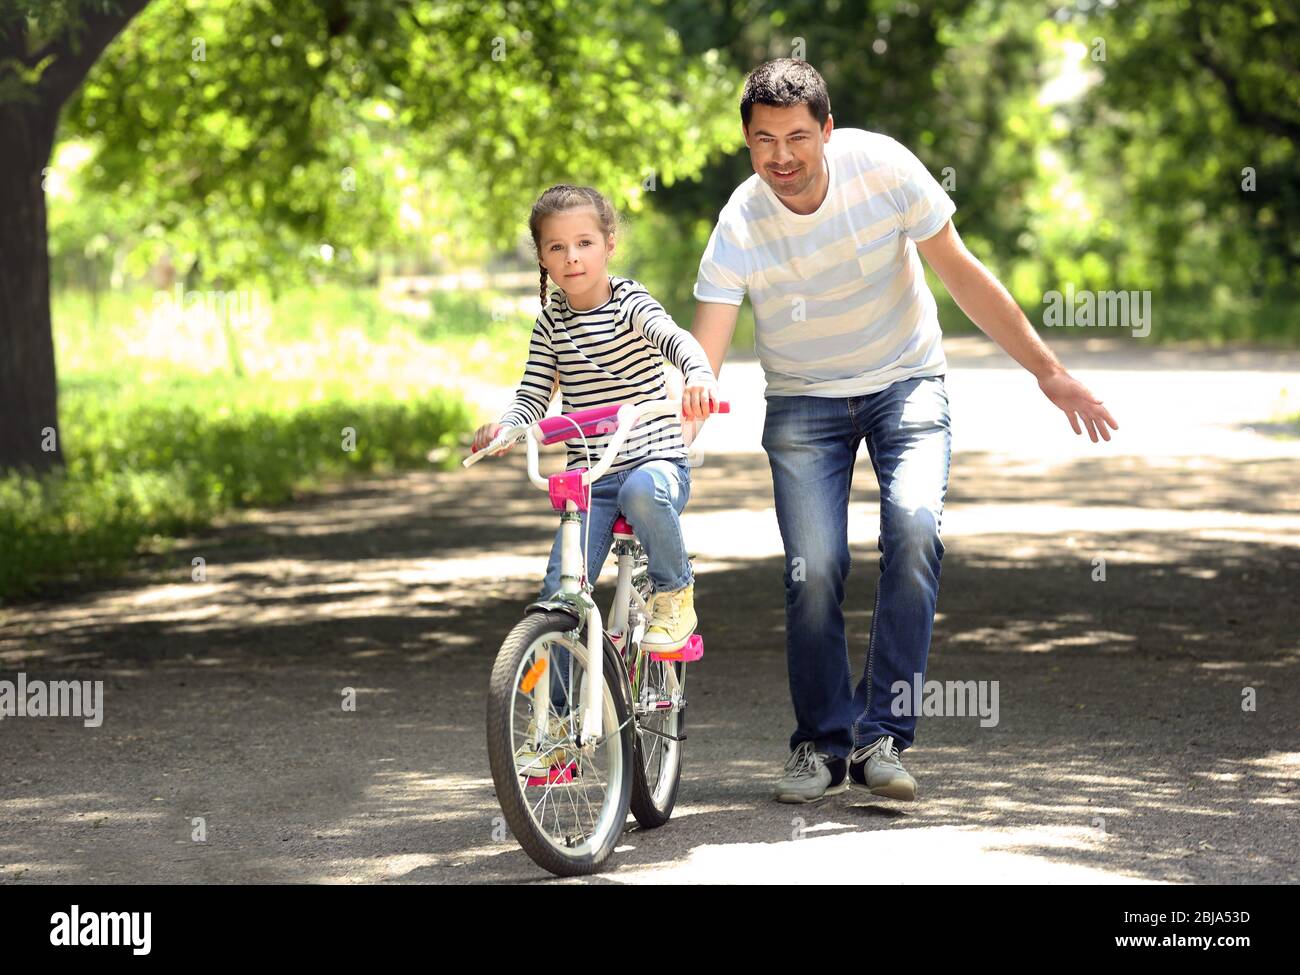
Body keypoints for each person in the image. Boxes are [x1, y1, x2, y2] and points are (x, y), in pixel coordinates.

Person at [686, 59, 1118, 803]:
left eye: (796, 136)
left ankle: (881, 735)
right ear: (747, 144)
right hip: (804, 401)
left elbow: (960, 271)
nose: (781, 157)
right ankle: (819, 744)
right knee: (813, 570)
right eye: (764, 141)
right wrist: (681, 411)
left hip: (906, 381)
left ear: (828, 129)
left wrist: (1047, 371)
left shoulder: (884, 168)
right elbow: (706, 350)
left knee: (915, 530)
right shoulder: (741, 220)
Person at [473, 184, 722, 664]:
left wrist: (697, 375)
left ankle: (675, 591)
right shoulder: (551, 324)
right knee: (560, 593)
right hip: (592, 477)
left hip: (655, 462)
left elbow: (677, 341)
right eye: (557, 247)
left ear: (609, 245)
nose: (572, 257)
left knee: (642, 491)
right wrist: (507, 428)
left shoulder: (631, 303)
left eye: (584, 243)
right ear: (542, 258)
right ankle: (564, 726)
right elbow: (533, 393)